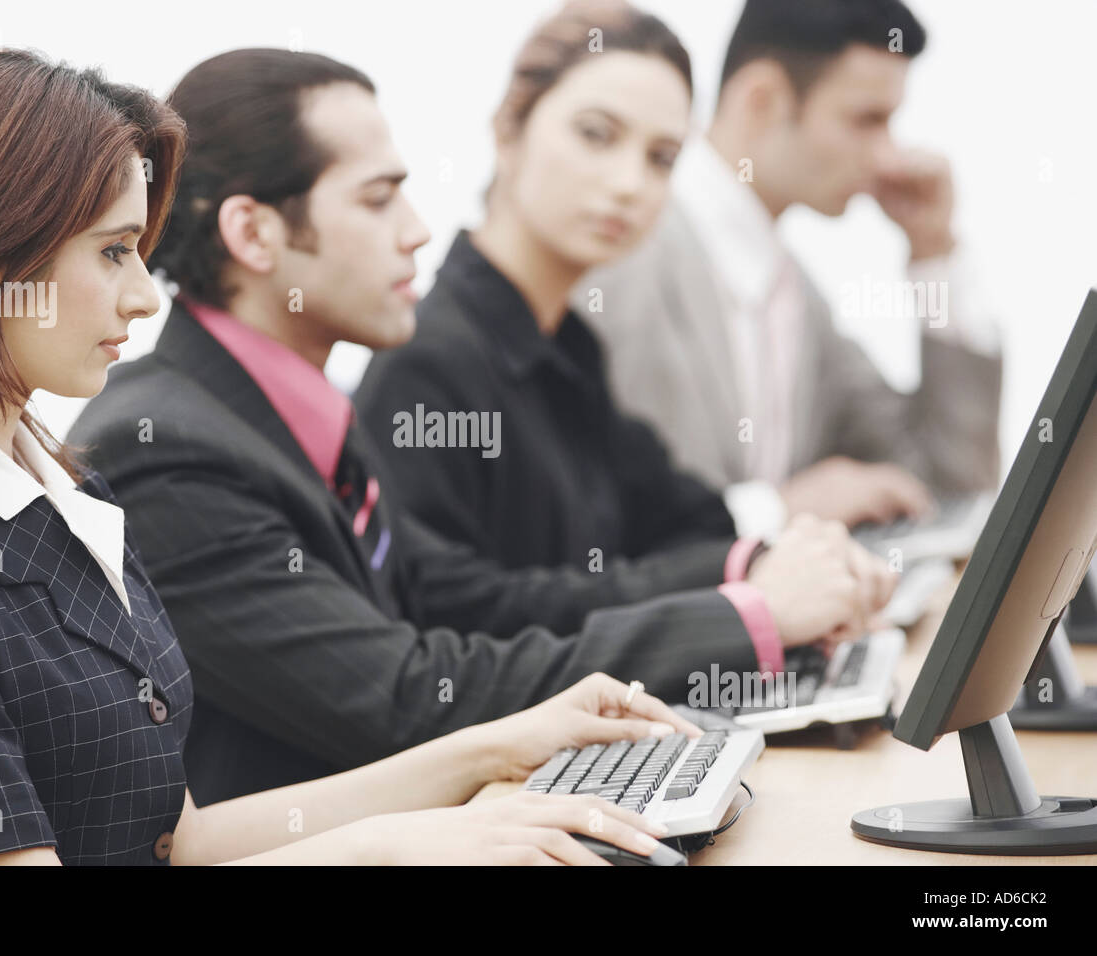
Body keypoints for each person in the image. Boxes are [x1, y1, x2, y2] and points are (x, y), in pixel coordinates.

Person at [0, 48, 703, 867]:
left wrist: (500, 748)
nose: (145, 297)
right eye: (114, 252)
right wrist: (390, 849)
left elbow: (181, 839)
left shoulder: (63, 493)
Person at [69, 35, 890, 806]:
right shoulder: (170, 449)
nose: (419, 231)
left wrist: (751, 578)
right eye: (379, 198)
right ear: (253, 232)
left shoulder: (292, 415)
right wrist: (750, 618)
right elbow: (402, 692)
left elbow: (464, 600)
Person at [353, 2, 893, 605]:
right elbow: (452, 614)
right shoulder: (428, 362)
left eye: (661, 158)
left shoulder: (570, 352)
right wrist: (745, 601)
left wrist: (787, 559)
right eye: (596, 134)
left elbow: (679, 520)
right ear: (509, 129)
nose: (629, 184)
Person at [572, 0, 1002, 536]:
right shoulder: (616, 249)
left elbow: (947, 481)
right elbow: (585, 519)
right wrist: (777, 509)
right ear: (763, 100)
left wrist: (935, 252)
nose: (888, 156)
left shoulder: (798, 297)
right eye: (868, 120)